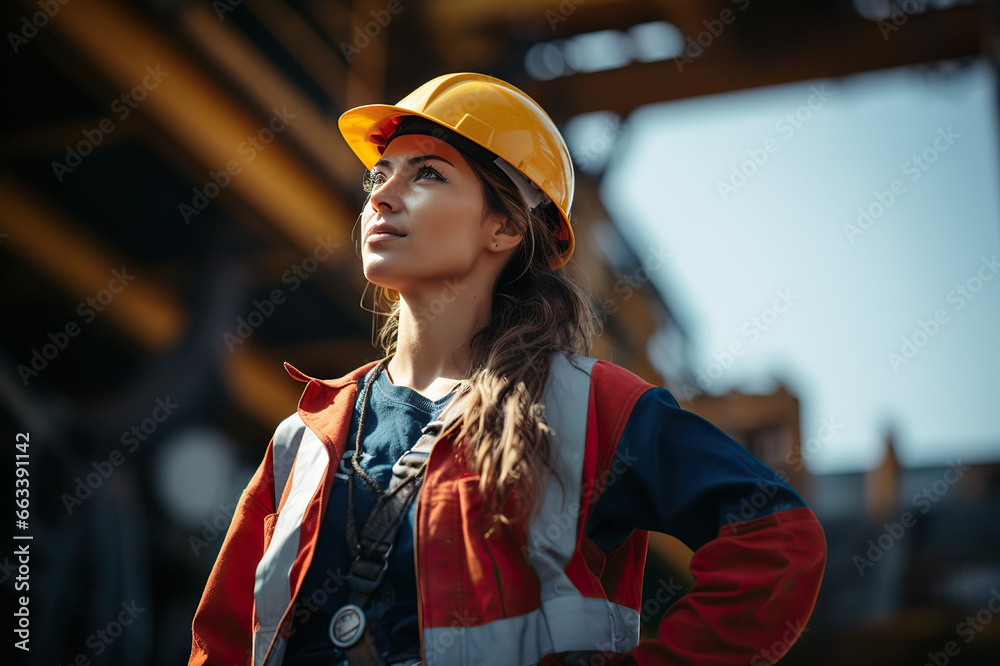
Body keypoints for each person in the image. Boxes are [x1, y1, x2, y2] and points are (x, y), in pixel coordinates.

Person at [188, 72, 826, 666]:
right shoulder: (304, 438)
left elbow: (779, 541)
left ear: (503, 228)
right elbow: (222, 640)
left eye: (427, 174)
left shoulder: (588, 404)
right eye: (378, 174)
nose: (380, 195)